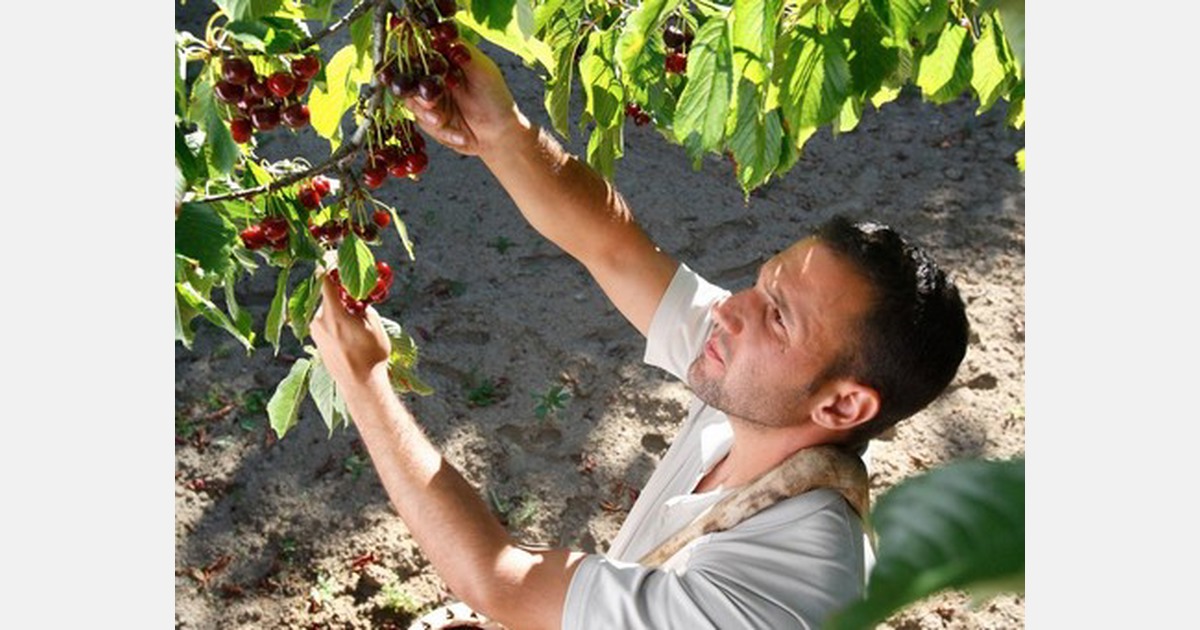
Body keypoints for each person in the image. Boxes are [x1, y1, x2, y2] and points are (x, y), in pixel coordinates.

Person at [310, 40, 969, 630]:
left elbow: (496, 577)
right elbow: (614, 247)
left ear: (843, 405)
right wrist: (501, 131)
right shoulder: (763, 399)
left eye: (775, 314)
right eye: (761, 285)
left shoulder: (784, 591)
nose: (728, 310)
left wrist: (364, 379)